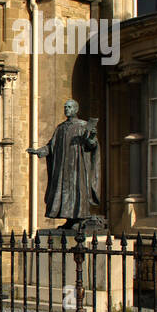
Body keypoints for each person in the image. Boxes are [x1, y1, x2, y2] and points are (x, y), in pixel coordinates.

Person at [27, 98, 100, 229]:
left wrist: (91, 137)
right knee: (64, 193)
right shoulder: (60, 128)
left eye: (69, 107)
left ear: (76, 109)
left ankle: (79, 219)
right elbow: (51, 145)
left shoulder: (83, 126)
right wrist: (39, 151)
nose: (67, 109)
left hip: (78, 167)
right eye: (65, 107)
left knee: (76, 191)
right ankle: (70, 221)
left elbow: (92, 145)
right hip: (63, 168)